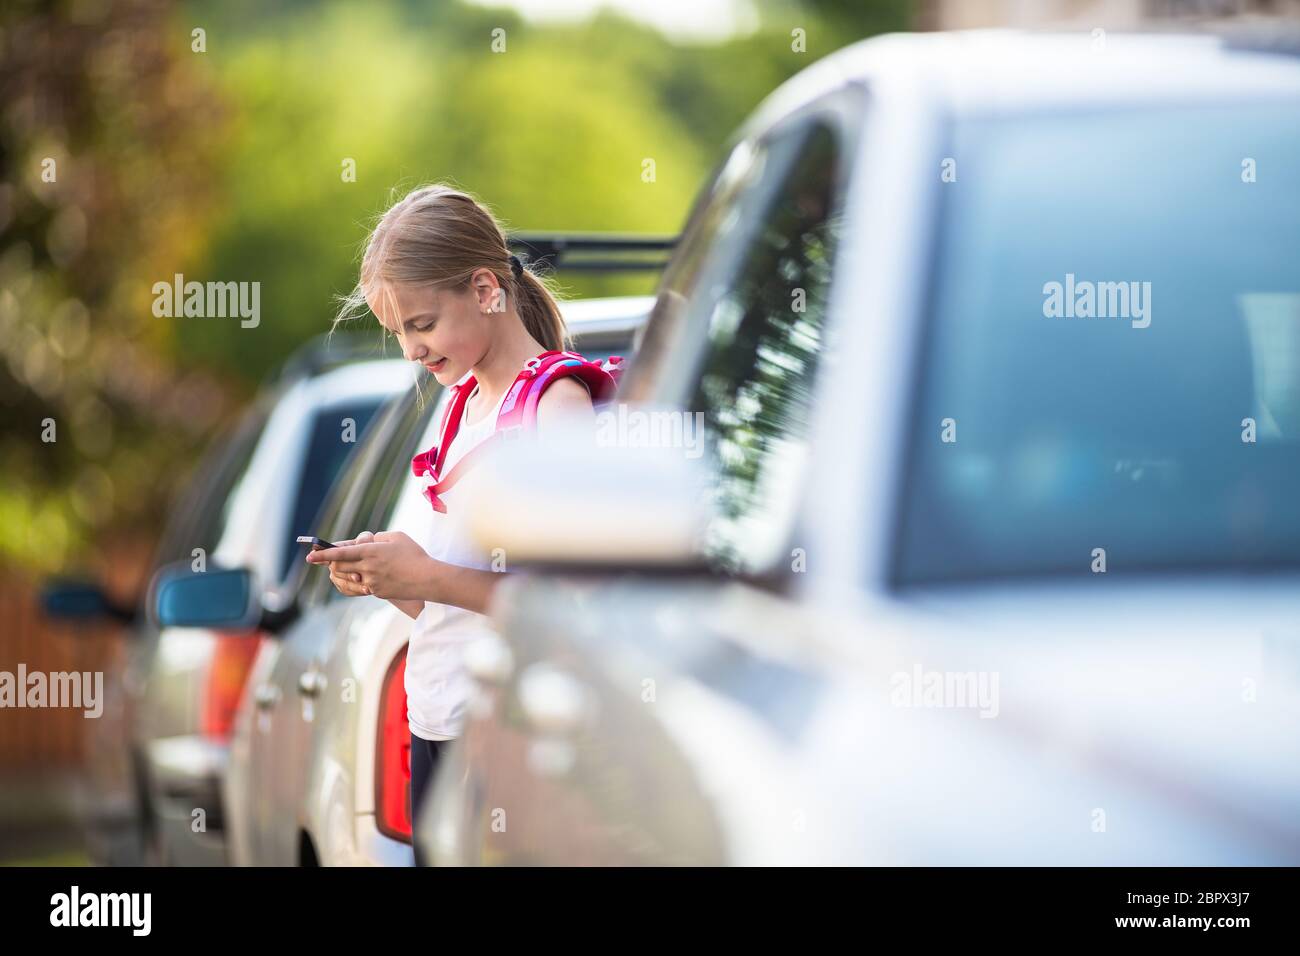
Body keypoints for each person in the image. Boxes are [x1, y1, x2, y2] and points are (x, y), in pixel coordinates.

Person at [305, 183, 605, 863]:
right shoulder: (460, 405)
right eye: (399, 332)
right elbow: (455, 603)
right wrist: (392, 578)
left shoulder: (553, 406)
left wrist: (429, 575)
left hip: (509, 735)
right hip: (438, 727)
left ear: (485, 290)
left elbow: (567, 605)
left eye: (422, 323)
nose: (411, 350)